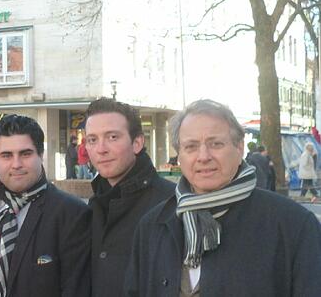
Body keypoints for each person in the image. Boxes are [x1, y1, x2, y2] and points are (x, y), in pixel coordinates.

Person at [125, 99, 321, 296]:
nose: (203, 156)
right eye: (191, 146)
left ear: (239, 147)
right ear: (180, 156)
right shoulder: (153, 226)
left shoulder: (294, 225)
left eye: (216, 144)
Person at [0, 114, 91, 297]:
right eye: (6, 155)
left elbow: (75, 288)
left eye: (25, 154)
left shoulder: (72, 213)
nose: (16, 164)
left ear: (41, 155)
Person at [83, 98, 174, 297]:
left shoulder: (171, 204)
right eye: (92, 140)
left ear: (137, 143)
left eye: (113, 137)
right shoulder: (92, 207)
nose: (101, 149)